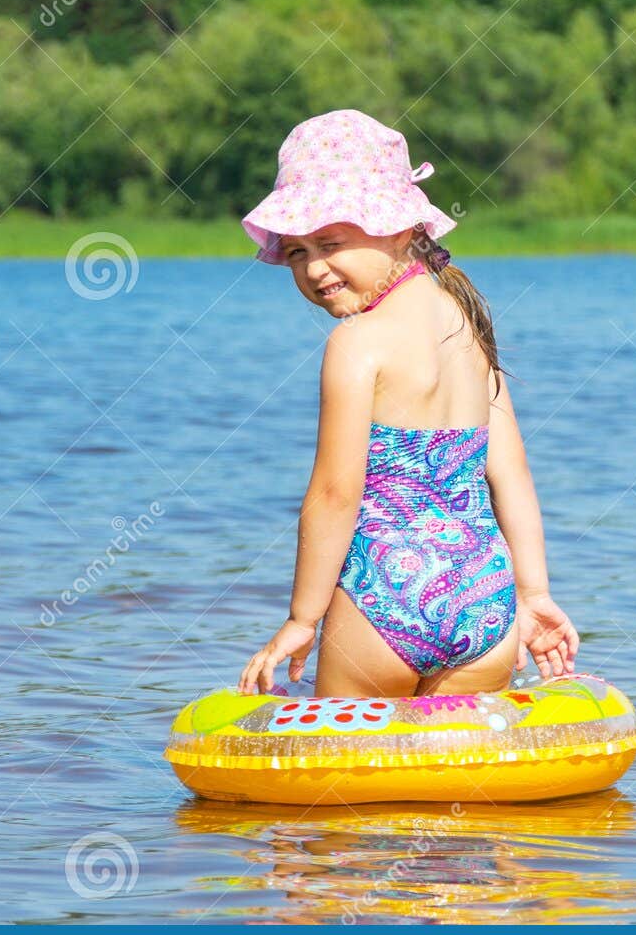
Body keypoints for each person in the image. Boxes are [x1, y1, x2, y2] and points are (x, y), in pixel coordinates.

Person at [235, 109, 579, 698]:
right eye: (296, 252)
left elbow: (335, 494)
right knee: (456, 782)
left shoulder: (356, 344)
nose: (315, 268)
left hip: (381, 600)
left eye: (331, 243)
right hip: (484, 602)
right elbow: (512, 473)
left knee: (343, 782)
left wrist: (301, 620)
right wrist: (534, 594)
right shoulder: (465, 322)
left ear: (397, 226)